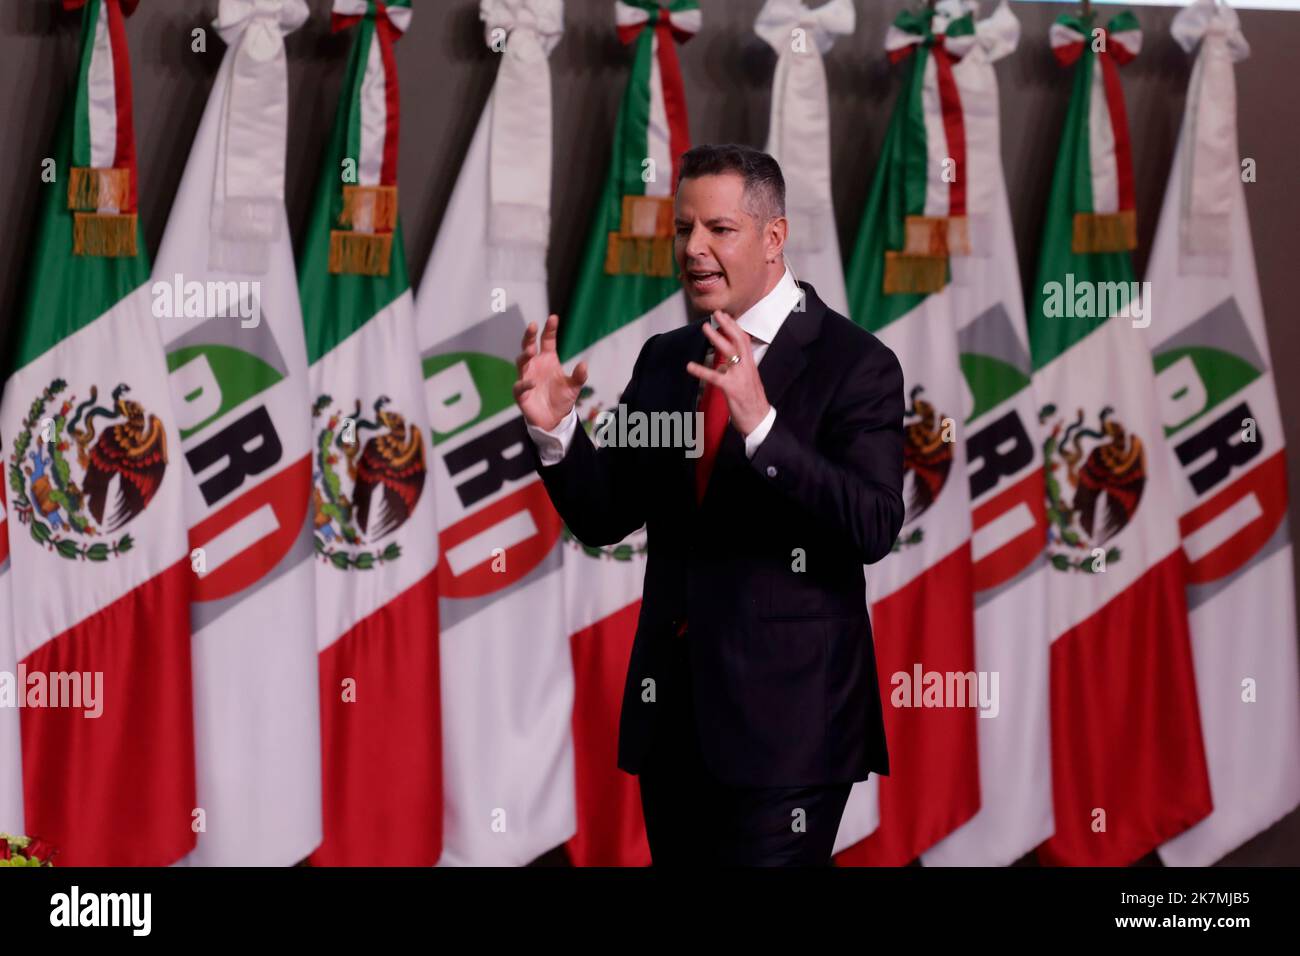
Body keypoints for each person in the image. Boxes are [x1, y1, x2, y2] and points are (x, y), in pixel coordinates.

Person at [513, 143, 905, 866]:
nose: (693, 249)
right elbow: (608, 513)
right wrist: (557, 430)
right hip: (674, 727)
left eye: (718, 230)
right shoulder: (666, 358)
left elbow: (875, 523)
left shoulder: (857, 364)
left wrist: (764, 427)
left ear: (773, 237)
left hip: (791, 733)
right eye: (682, 229)